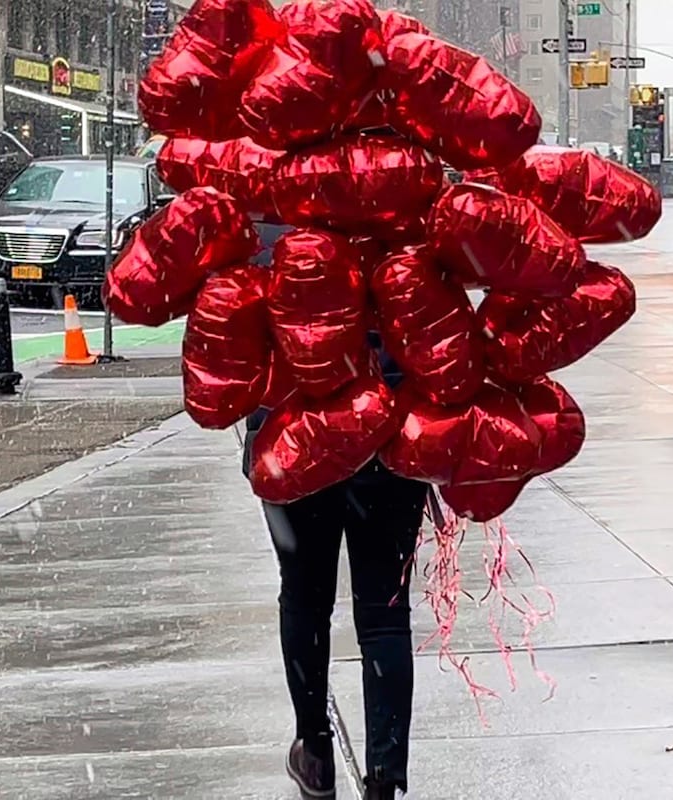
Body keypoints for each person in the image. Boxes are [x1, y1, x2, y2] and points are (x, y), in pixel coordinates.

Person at [244, 223, 428, 800]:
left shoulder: (270, 205)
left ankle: (314, 745)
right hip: (390, 424)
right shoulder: (406, 203)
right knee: (383, 612)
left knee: (304, 594)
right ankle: (384, 778)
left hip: (292, 428)